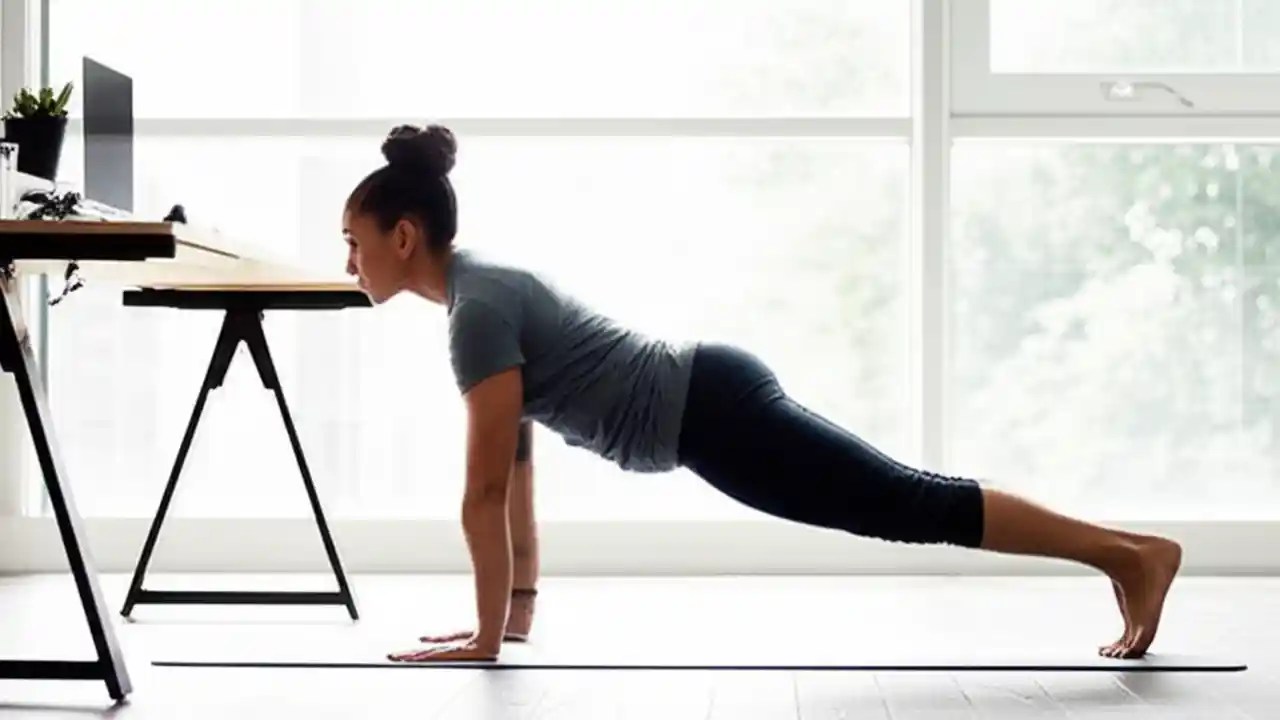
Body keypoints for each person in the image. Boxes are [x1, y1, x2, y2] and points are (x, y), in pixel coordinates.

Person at [341, 124, 1183, 664]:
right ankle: (1121, 553)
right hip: (707, 407)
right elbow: (517, 477)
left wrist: (484, 640)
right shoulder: (481, 297)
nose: (350, 262)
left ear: (403, 235)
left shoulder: (477, 313)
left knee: (902, 501)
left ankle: (1127, 554)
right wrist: (512, 616)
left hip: (711, 410)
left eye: (355, 242)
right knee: (897, 502)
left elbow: (483, 494)